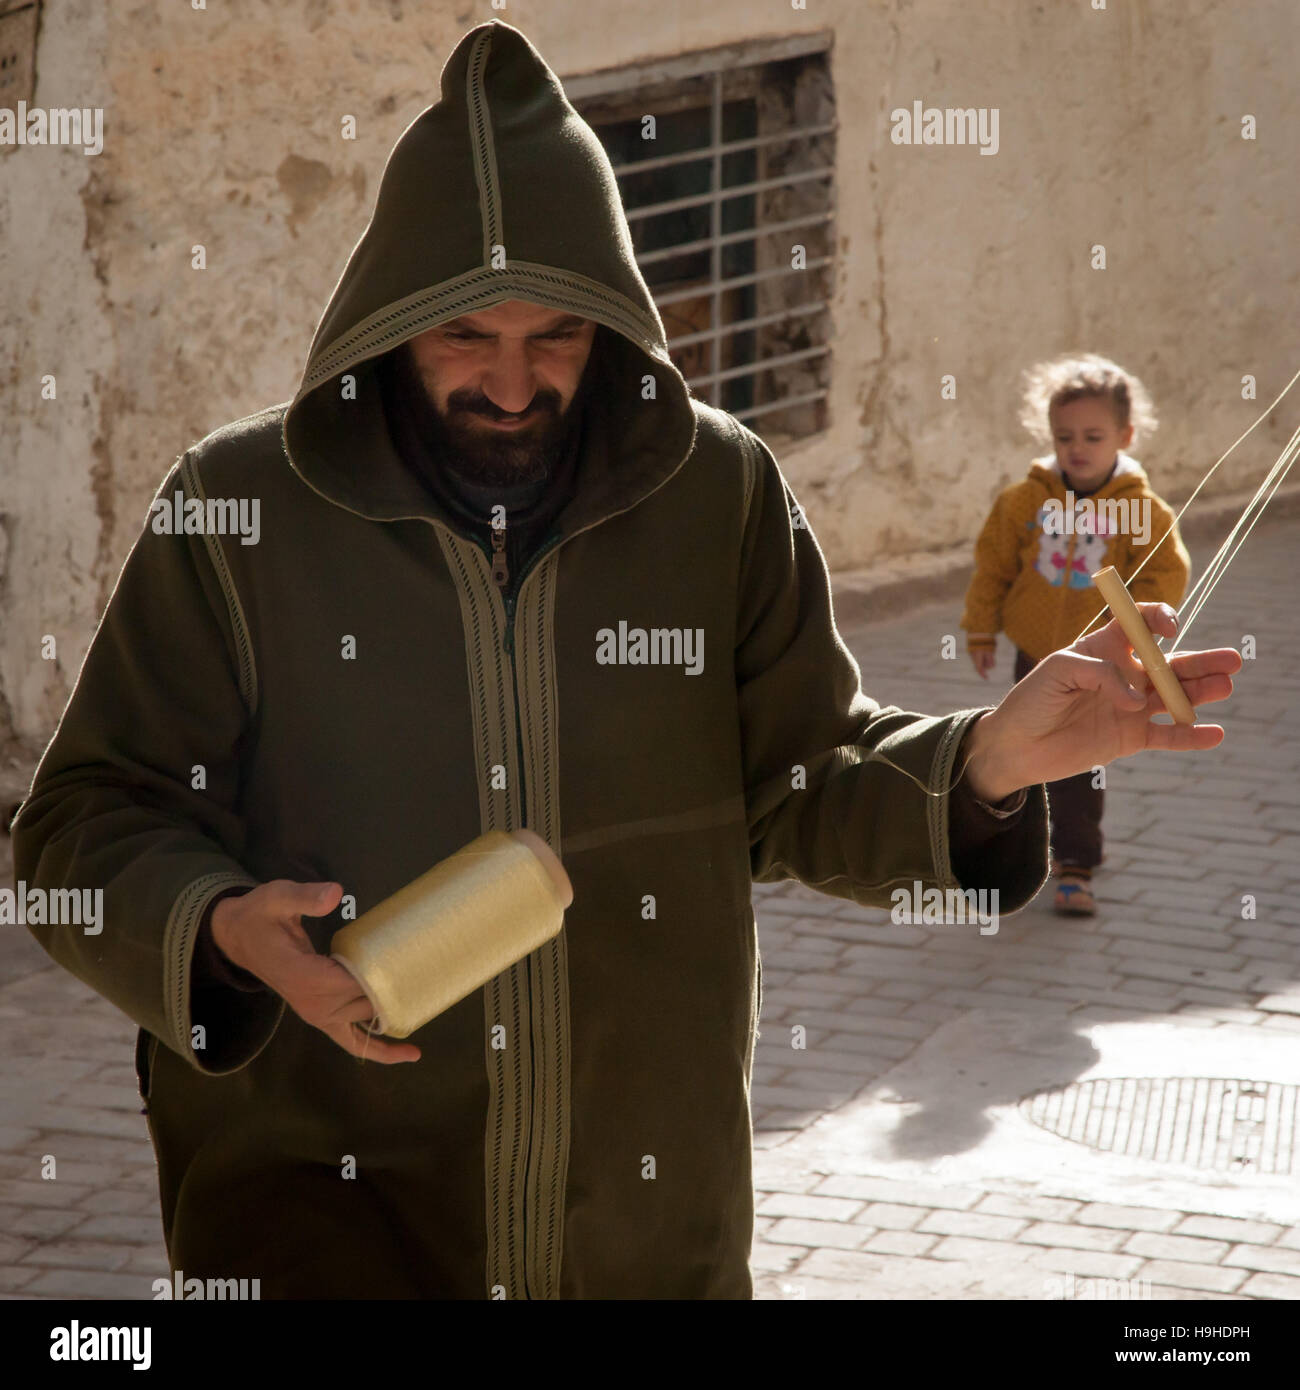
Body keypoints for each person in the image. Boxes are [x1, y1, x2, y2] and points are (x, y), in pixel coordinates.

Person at [11, 22, 1237, 1299]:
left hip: (646, 1240)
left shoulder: (716, 493)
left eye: (554, 337)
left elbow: (801, 778)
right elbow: (78, 828)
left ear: (611, 320)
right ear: (385, 327)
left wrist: (982, 763)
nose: (510, 383)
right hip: (328, 1230)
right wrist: (211, 924)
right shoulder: (237, 510)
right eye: (462, 340)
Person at [961, 355, 1191, 916]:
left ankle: (1077, 860)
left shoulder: (1141, 509)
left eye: (1093, 435)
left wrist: (1140, 627)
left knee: (1081, 758)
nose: (1077, 448)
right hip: (1036, 653)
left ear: (1125, 435)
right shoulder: (1024, 502)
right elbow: (993, 567)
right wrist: (980, 629)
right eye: (1064, 436)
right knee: (1018, 745)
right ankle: (1013, 848)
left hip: (1103, 660)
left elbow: (1166, 572)